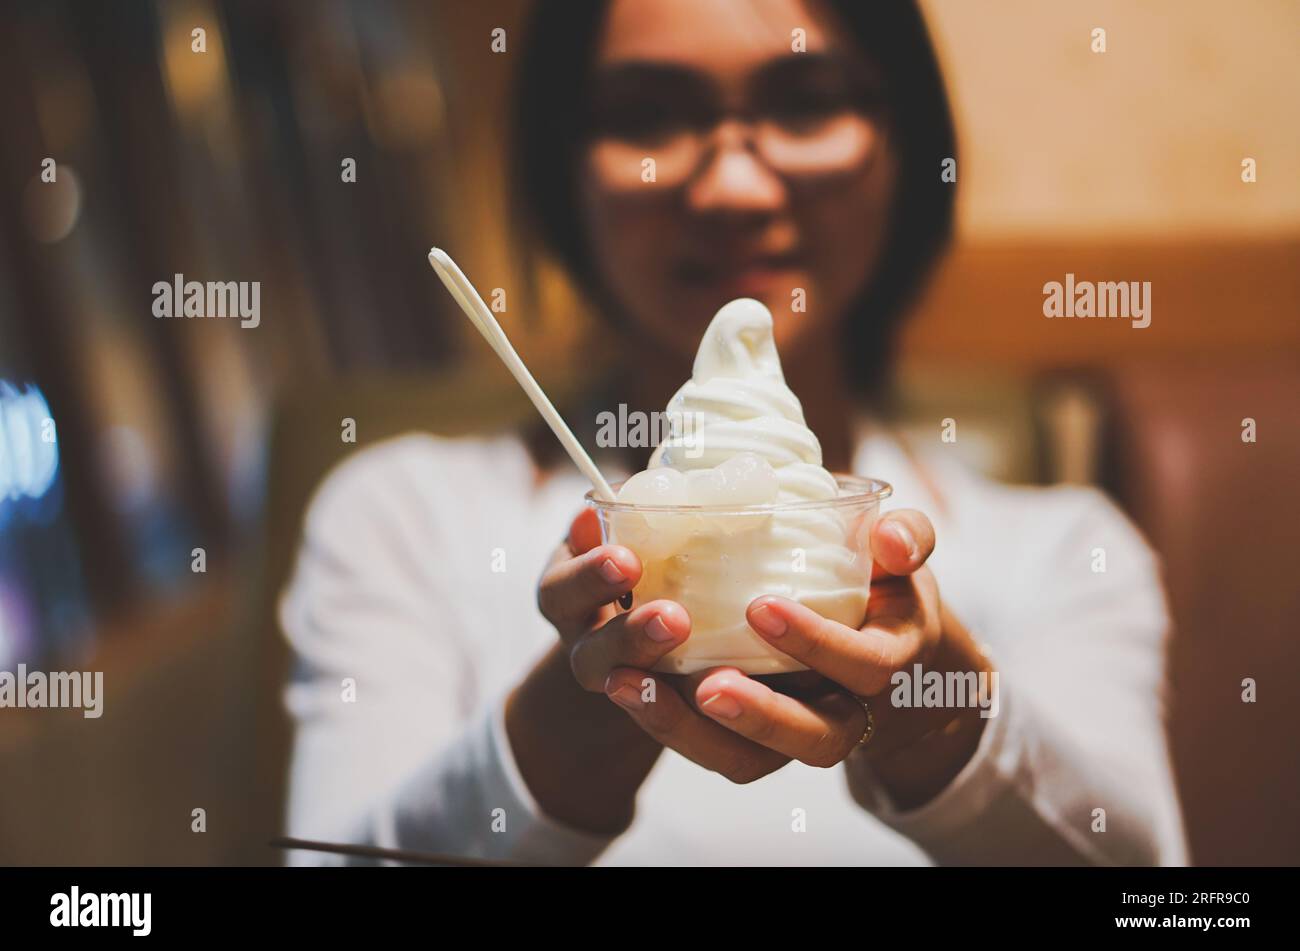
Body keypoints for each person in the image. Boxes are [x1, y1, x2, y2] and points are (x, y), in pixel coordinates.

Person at [279, 0, 1188, 865]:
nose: (732, 187)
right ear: (564, 164)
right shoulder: (403, 517)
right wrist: (578, 709)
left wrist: (934, 710)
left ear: (904, 141)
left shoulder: (1068, 551)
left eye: (805, 102)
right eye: (646, 115)